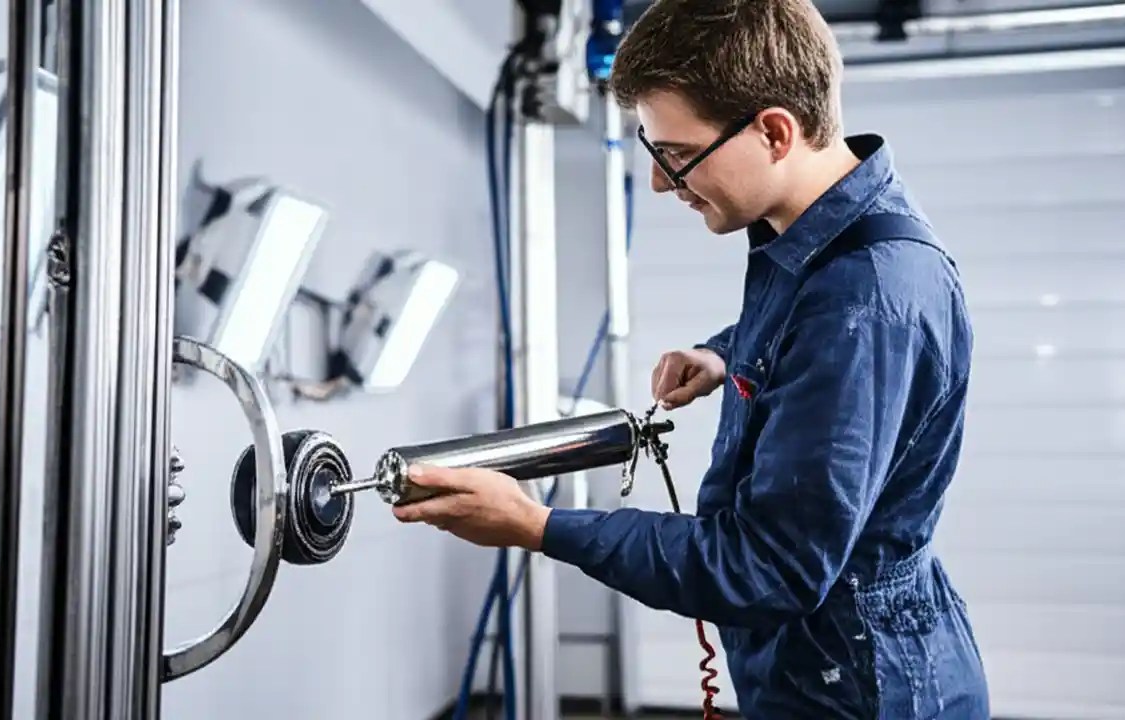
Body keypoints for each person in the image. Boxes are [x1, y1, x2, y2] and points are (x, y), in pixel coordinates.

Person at [393, 0, 990, 716]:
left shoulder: (865, 295)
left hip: (857, 685)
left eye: (675, 156)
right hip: (821, 660)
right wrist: (720, 354)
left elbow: (768, 567)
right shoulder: (826, 236)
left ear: (773, 131)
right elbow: (810, 340)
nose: (658, 182)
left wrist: (538, 528)